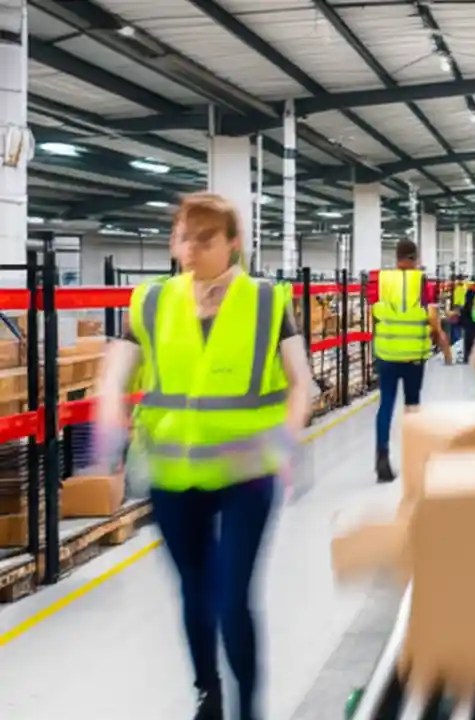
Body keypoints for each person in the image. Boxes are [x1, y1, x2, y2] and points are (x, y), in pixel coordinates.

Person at [93, 193, 313, 720]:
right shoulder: (150, 300)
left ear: (233, 243)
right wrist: (106, 418)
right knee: (195, 591)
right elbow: (116, 369)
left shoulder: (266, 300)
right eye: (182, 237)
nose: (189, 250)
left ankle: (248, 706)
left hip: (248, 471)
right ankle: (208, 692)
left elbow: (301, 382)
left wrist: (286, 439)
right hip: (174, 473)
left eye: (205, 239)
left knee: (233, 596)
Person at [372, 240, 451, 481]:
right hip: (413, 356)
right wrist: (443, 345)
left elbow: (374, 314)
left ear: (397, 257)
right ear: (415, 258)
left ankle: (382, 453)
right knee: (412, 407)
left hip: (386, 353)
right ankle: (414, 458)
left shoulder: (382, 280)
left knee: (386, 404)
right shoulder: (421, 282)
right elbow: (432, 319)